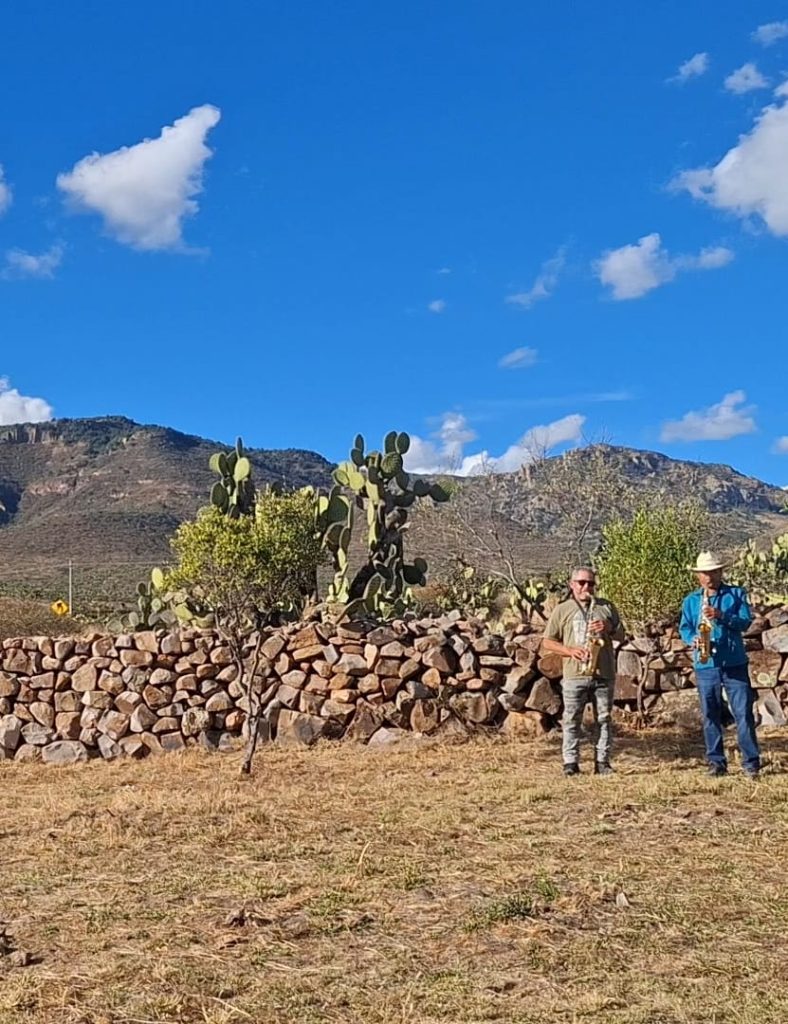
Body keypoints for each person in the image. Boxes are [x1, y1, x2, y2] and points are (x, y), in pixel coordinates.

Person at [679, 551, 760, 779]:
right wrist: (691, 639)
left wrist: (721, 615)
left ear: (721, 572)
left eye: (713, 572)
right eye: (705, 573)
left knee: (743, 713)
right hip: (706, 665)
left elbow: (745, 622)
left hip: (734, 662)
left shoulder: (735, 594)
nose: (709, 577)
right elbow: (685, 628)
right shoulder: (691, 601)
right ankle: (716, 762)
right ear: (698, 576)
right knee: (710, 714)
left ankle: (751, 763)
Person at [542, 566, 624, 776]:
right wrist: (570, 651)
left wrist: (607, 627)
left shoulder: (606, 607)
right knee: (571, 719)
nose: (586, 587)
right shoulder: (562, 609)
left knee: (604, 719)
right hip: (574, 673)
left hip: (603, 672)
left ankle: (602, 763)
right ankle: (570, 763)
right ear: (572, 585)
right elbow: (547, 642)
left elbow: (621, 636)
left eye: (591, 583)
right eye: (581, 583)